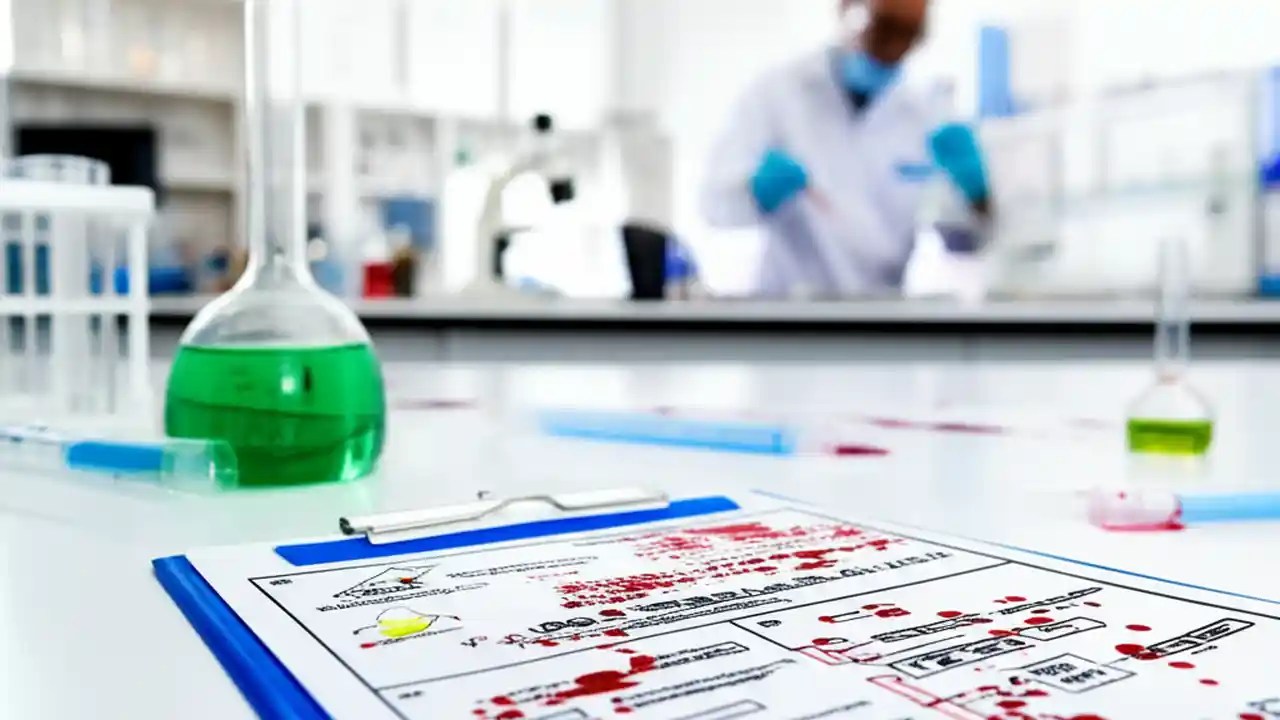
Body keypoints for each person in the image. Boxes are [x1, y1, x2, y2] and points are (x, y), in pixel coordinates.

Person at [700, 0, 991, 298]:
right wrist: (755, 192)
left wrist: (977, 198)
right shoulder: (779, 93)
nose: (894, 46)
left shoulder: (923, 116)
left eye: (909, 33)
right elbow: (714, 207)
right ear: (847, 9)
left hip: (879, 315)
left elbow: (963, 242)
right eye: (885, 26)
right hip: (785, 308)